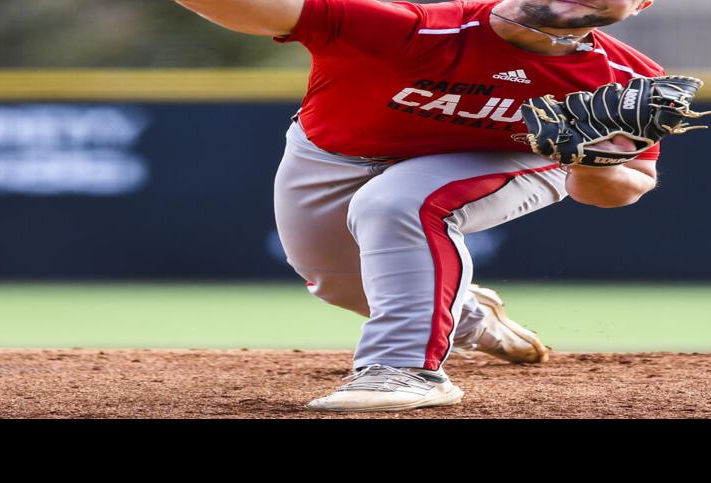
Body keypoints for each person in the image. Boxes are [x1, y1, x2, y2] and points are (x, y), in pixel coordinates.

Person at [175, 0, 665, 412]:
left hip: (515, 157)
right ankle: (470, 315)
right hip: (332, 153)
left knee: (398, 203)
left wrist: (592, 163)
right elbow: (263, 9)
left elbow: (622, 189)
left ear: (641, 5)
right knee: (339, 283)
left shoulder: (625, 79)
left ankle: (405, 369)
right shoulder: (418, 28)